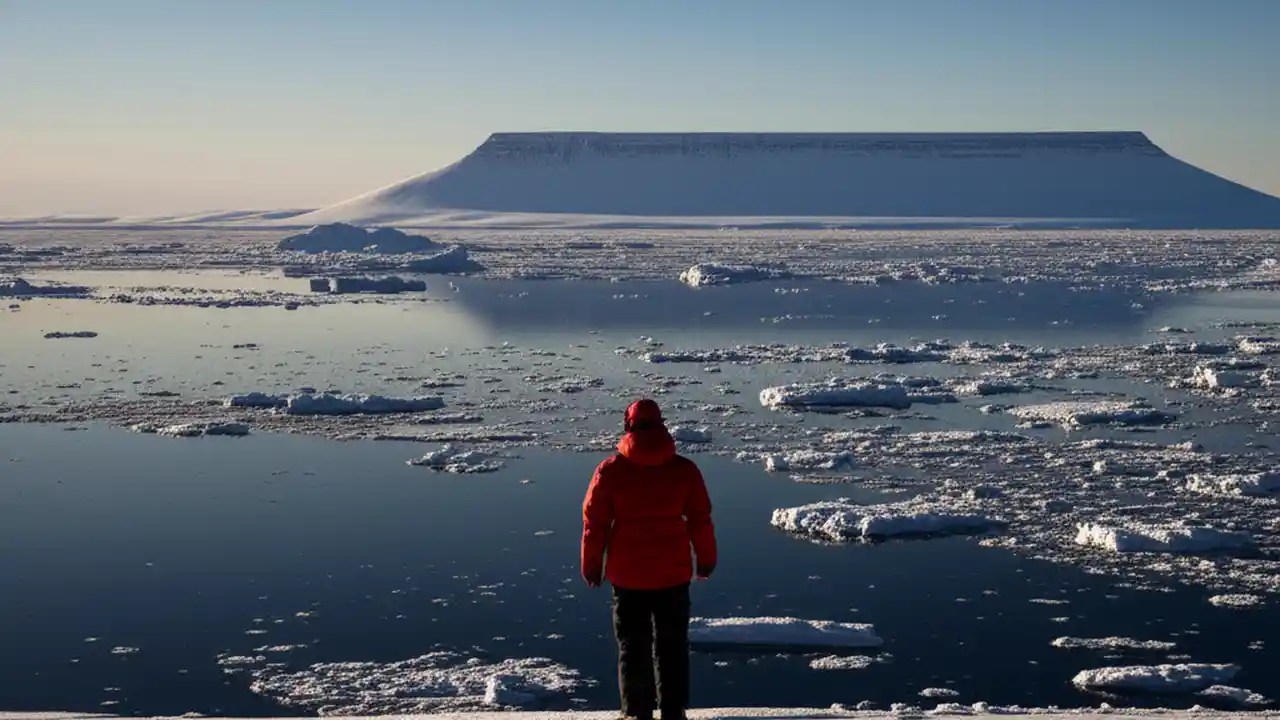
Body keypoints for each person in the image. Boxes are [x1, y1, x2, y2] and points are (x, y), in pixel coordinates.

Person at [581, 398, 717, 720]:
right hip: (673, 575)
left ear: (628, 426)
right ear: (661, 426)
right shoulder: (684, 470)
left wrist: (591, 567)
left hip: (628, 578)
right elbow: (700, 519)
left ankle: (635, 713)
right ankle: (673, 712)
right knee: (672, 646)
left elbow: (594, 524)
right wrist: (706, 561)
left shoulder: (611, 471)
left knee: (632, 645)